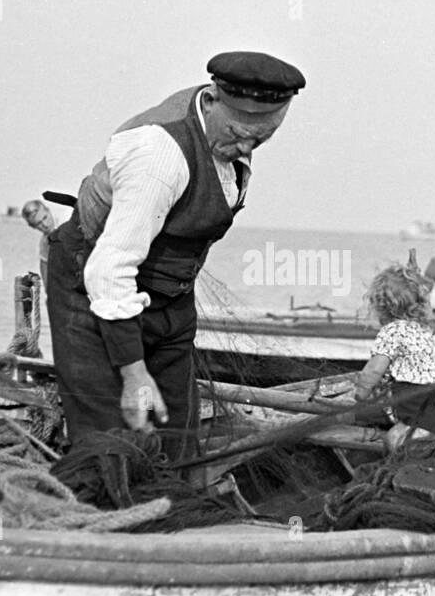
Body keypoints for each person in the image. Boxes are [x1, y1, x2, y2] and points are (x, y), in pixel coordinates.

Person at [46, 51, 305, 456]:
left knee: (177, 436)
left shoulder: (231, 137)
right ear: (213, 100)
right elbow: (109, 270)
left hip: (169, 298)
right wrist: (134, 375)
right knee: (109, 443)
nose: (245, 146)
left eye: (260, 138)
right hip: (92, 287)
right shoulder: (159, 154)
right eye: (238, 133)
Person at [354, 262, 435, 449]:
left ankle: (414, 456)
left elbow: (373, 371)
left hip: (424, 397)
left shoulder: (392, 331)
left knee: (397, 438)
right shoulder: (424, 330)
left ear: (381, 307)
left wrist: (361, 394)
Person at [20, 200, 56, 284]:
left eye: (45, 217)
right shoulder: (45, 243)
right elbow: (47, 280)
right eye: (39, 223)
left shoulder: (69, 221)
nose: (45, 225)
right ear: (33, 227)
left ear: (48, 211)